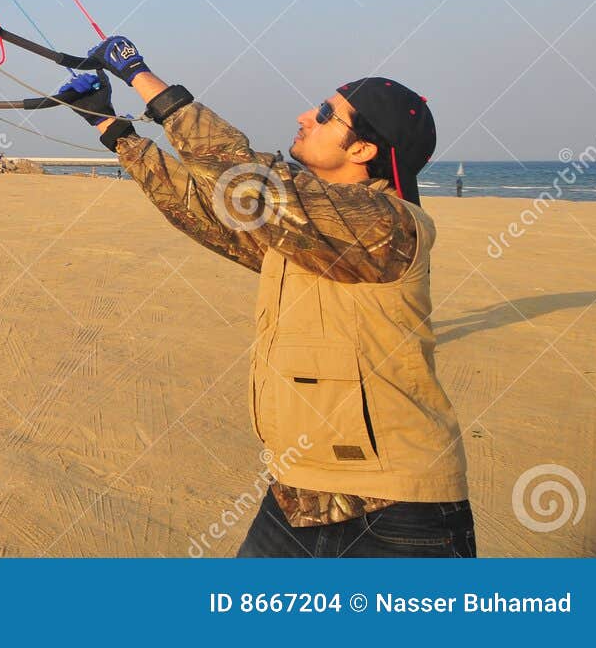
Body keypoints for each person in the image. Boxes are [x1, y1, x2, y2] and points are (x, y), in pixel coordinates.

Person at [62, 36, 473, 558]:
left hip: (397, 510)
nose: (306, 115)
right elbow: (202, 209)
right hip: (297, 495)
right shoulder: (303, 227)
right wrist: (110, 127)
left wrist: (140, 75)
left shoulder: (386, 224)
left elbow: (243, 178)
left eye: (326, 114)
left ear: (364, 150)